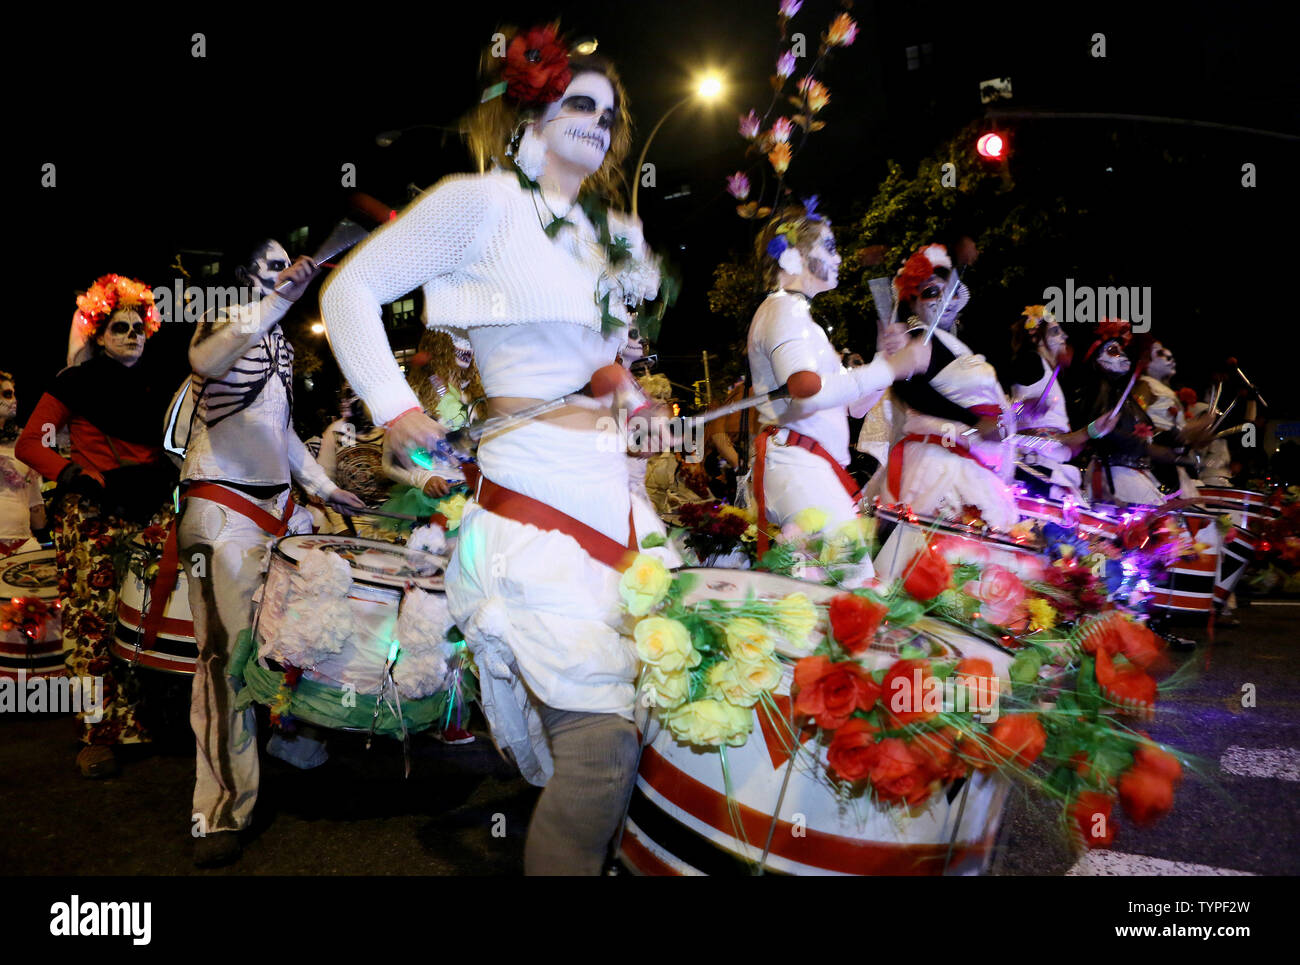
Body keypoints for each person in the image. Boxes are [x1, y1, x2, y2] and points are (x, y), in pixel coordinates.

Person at [321, 26, 680, 874]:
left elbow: (599, 360)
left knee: (644, 724)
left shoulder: (605, 236)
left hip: (616, 500)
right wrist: (396, 409)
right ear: (533, 106)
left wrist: (637, 400)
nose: (598, 119)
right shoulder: (477, 202)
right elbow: (350, 292)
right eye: (579, 101)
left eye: (610, 110)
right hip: (532, 508)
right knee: (600, 749)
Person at [177, 240, 365, 867]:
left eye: (290, 262)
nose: (286, 270)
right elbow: (204, 359)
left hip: (280, 511)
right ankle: (220, 807)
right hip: (222, 510)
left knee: (290, 640)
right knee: (224, 660)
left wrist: (326, 486)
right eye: (271, 263)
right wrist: (278, 296)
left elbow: (278, 428)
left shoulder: (277, 342)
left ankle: (285, 742)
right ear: (243, 275)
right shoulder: (223, 320)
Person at [16, 275, 178, 777]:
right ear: (99, 335)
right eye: (120, 328)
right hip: (92, 519)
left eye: (139, 328)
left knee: (142, 622)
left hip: (149, 515)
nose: (133, 335)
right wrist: (73, 475)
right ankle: (96, 732)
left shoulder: (162, 386)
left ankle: (138, 721)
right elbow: (31, 444)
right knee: (92, 626)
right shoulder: (75, 384)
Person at [746, 201, 928, 573]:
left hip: (813, 466)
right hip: (798, 465)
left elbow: (854, 406)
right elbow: (807, 392)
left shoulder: (800, 318)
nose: (840, 257)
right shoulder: (783, 309)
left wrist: (883, 363)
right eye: (830, 247)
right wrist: (892, 366)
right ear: (794, 256)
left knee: (827, 592)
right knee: (850, 588)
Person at [877, 244, 1019, 530]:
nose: (945, 300)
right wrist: (975, 420)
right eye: (931, 292)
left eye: (951, 291)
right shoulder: (915, 338)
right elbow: (911, 390)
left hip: (968, 461)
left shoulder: (954, 346)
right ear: (913, 302)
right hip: (938, 464)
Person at [1004, 306, 1115, 502]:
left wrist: (1093, 431)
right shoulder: (1031, 361)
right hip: (1033, 468)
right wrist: (1024, 406)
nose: (1064, 335)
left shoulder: (1048, 373)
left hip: (1048, 467)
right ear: (1035, 337)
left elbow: (1059, 440)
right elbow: (1009, 411)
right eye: (1055, 331)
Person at [0, 372, 46, 556]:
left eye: (13, 394)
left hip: (23, 541)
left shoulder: (25, 441)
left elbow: (35, 499)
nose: (14, 401)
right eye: (7, 395)